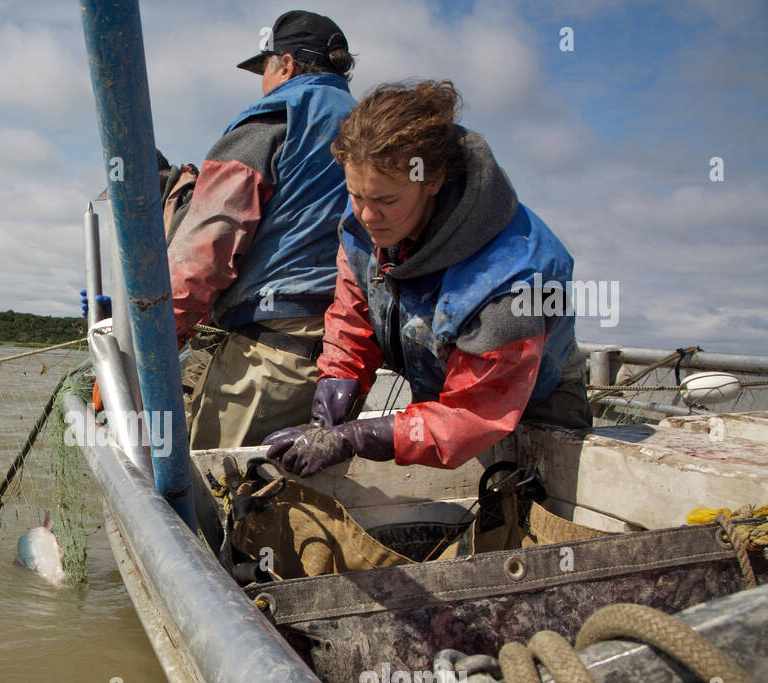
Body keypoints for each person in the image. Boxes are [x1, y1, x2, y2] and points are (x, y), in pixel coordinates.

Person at [266, 79, 591, 475]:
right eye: (357, 195)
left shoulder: (513, 284)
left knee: (520, 519)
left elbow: (471, 415)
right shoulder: (365, 229)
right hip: (439, 404)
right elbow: (353, 315)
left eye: (386, 200)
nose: (367, 216)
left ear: (432, 180)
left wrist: (353, 437)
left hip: (529, 408)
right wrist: (329, 411)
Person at [169, 10, 356, 449]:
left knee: (212, 496)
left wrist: (150, 344)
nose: (263, 80)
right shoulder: (373, 127)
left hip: (269, 358)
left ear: (286, 64)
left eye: (265, 67)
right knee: (291, 494)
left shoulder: (273, 120)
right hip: (346, 356)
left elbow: (202, 253)